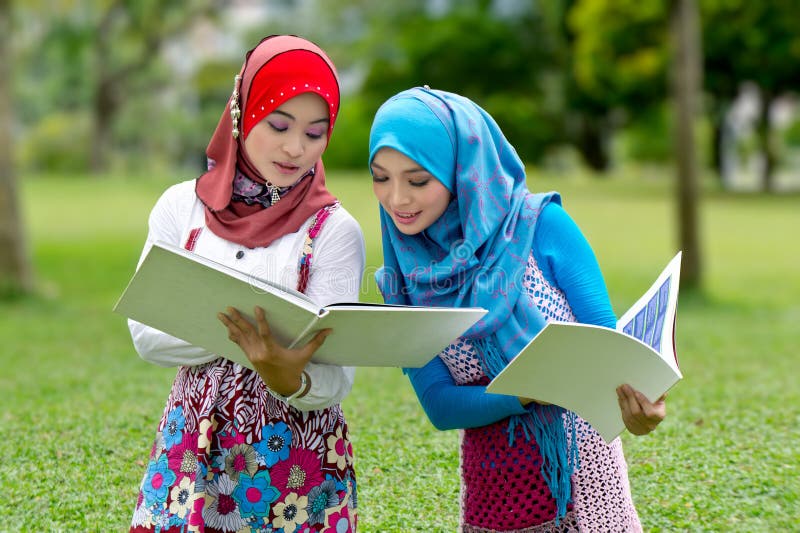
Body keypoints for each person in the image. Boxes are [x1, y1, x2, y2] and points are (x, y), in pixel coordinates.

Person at [368, 87, 667, 532]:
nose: (397, 200)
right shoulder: (402, 278)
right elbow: (440, 405)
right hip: (496, 488)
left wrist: (642, 409)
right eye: (380, 177)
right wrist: (526, 392)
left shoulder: (540, 225)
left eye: (417, 180)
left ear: (462, 172)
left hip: (584, 475)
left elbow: (611, 354)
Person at [127, 35, 364, 533]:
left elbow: (335, 374)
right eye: (279, 124)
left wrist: (288, 377)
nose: (296, 148)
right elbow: (147, 333)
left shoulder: (335, 231)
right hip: (191, 446)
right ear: (242, 111)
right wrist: (256, 342)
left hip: (296, 465)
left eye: (316, 133)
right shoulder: (181, 209)